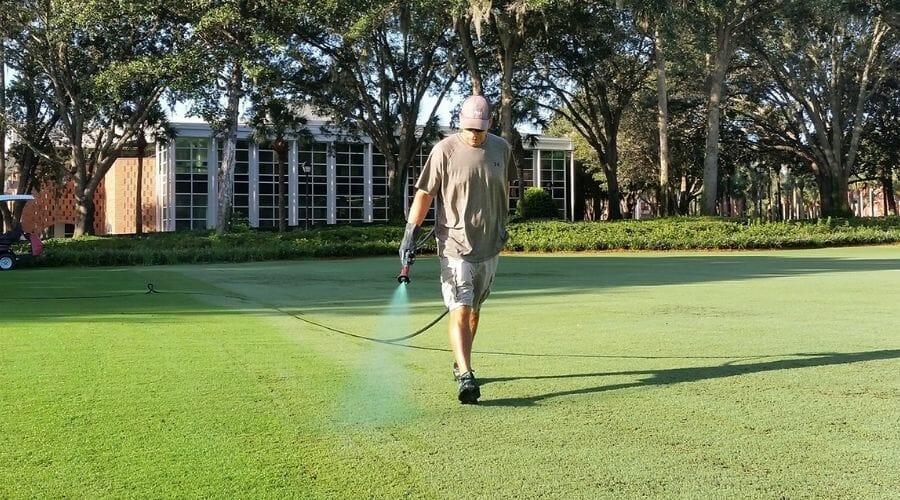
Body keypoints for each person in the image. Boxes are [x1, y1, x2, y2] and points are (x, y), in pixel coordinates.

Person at [399, 95, 513, 404]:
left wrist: (501, 222)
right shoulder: (444, 151)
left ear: (489, 124)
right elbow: (424, 194)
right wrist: (410, 233)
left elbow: (505, 186)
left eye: (480, 129)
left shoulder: (502, 149)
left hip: (489, 246)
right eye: (470, 128)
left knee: (474, 310)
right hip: (454, 245)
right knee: (460, 307)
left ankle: (460, 360)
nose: (475, 134)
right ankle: (466, 375)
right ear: (460, 123)